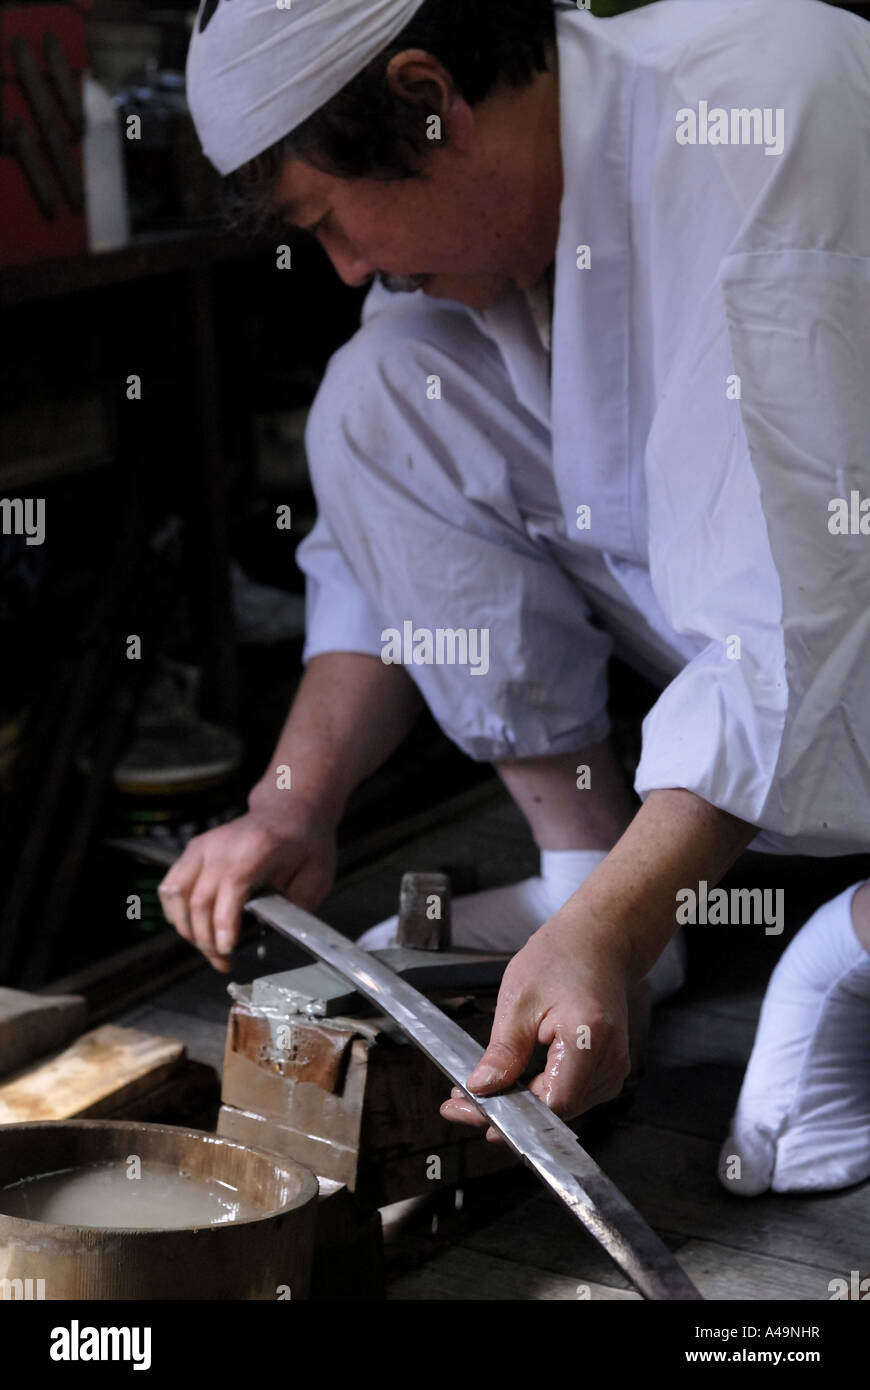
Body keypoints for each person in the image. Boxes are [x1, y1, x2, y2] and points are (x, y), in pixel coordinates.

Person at [158, 0, 870, 1196]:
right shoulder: (500, 243)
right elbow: (384, 574)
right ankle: (584, 868)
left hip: (834, 633)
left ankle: (838, 952)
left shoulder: (753, 125)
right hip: (820, 713)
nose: (344, 267)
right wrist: (293, 803)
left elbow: (792, 603)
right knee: (382, 388)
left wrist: (617, 932)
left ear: (429, 99)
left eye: (329, 221)